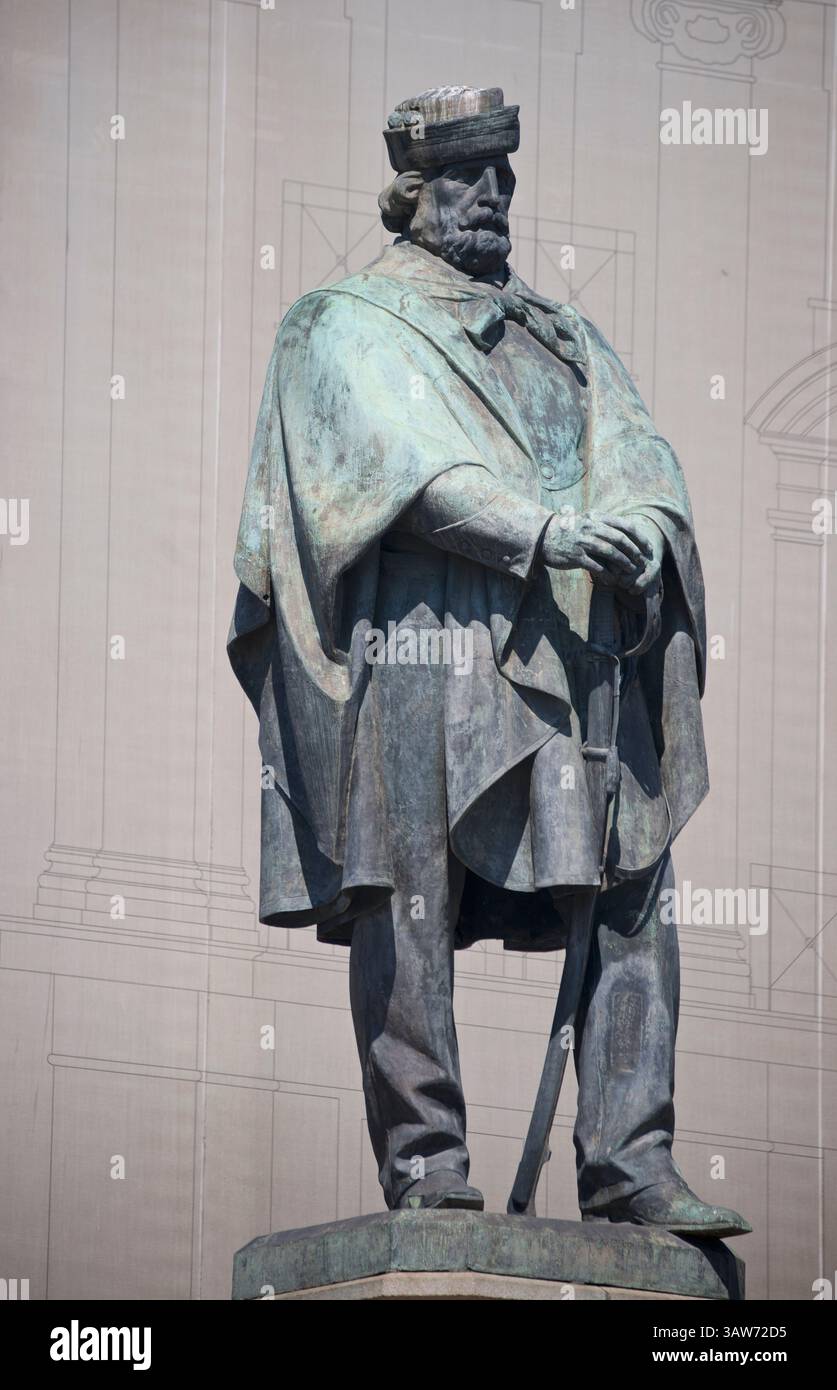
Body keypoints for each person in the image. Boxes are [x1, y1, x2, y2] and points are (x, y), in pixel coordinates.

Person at [229, 85, 750, 1236]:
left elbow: (644, 454)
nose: (492, 199)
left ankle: (630, 1159)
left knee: (633, 884)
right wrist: (547, 529)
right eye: (465, 181)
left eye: (502, 180)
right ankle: (426, 1160)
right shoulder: (340, 322)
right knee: (403, 894)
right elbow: (392, 469)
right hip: (417, 654)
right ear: (411, 198)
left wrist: (647, 527)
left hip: (569, 656)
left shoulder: (562, 335)